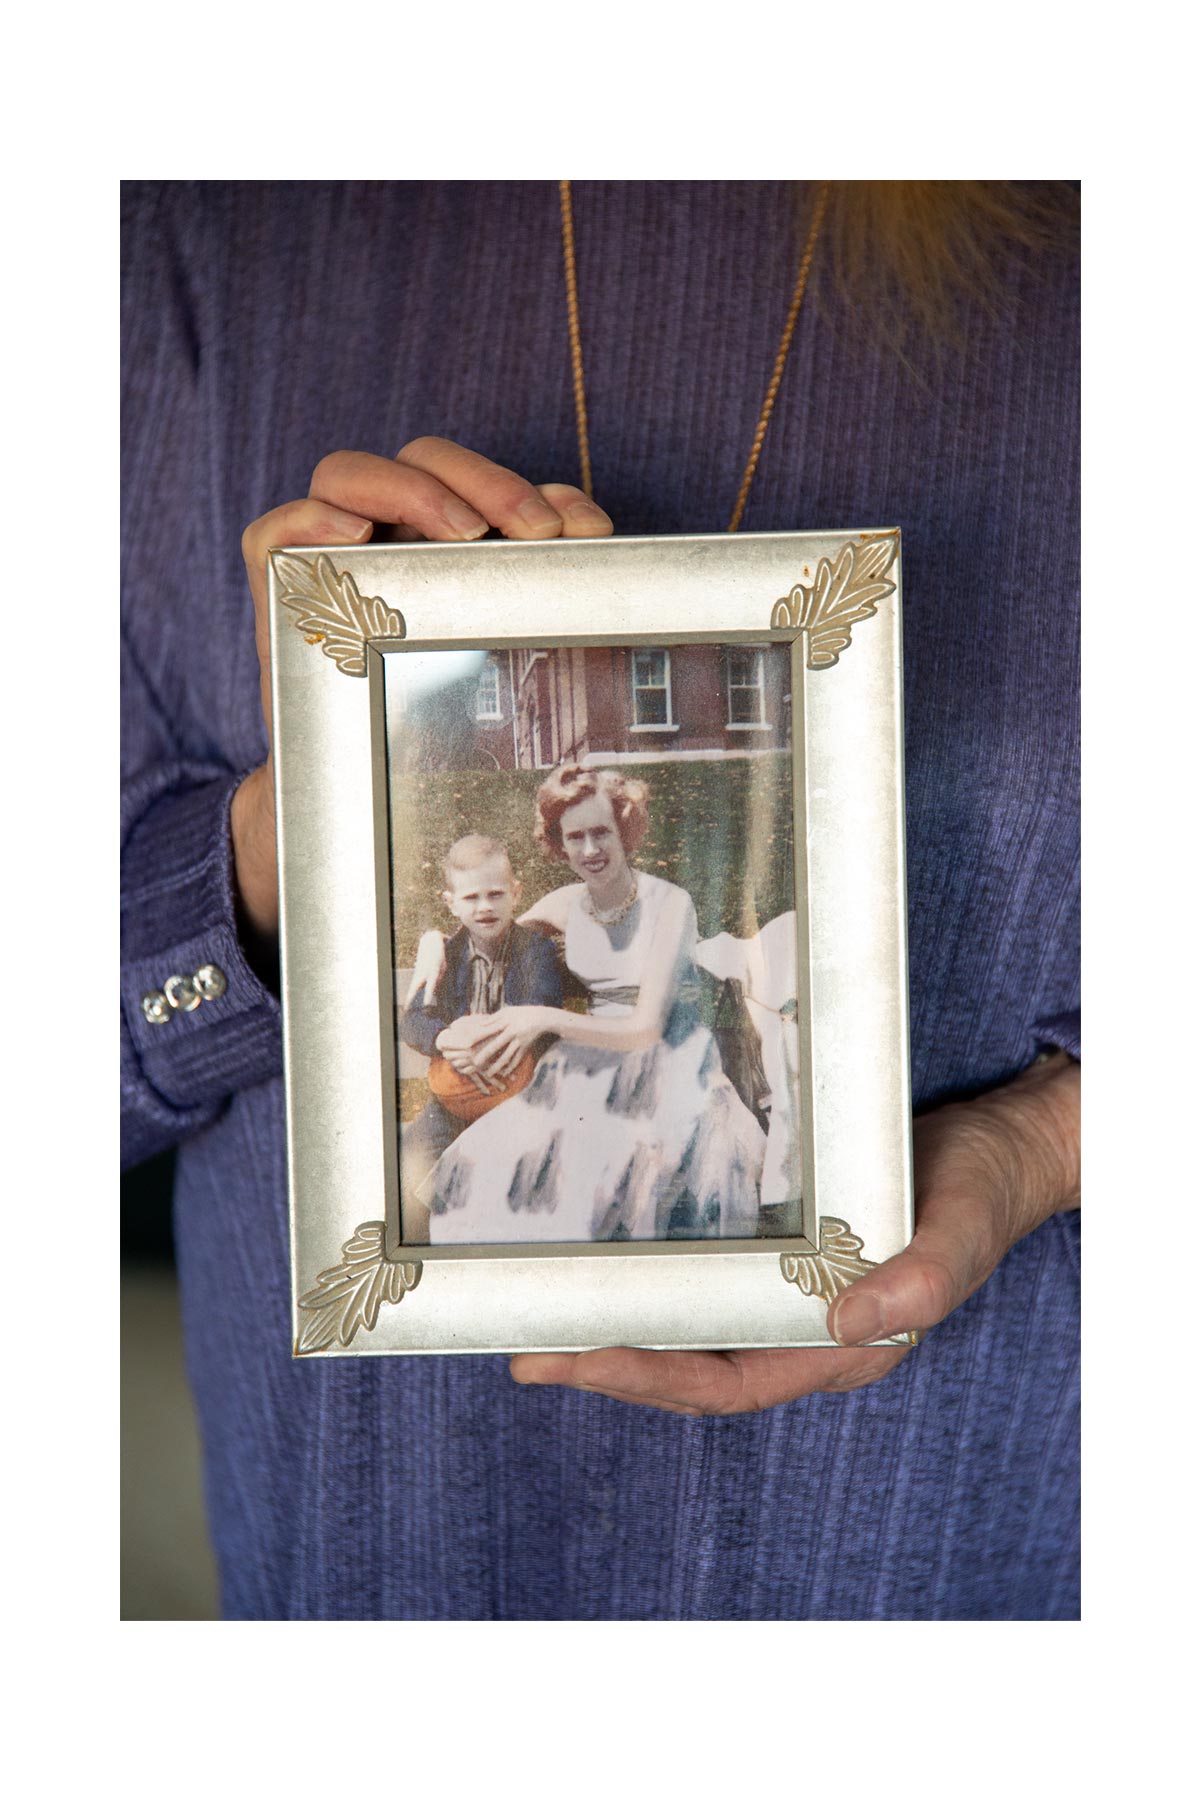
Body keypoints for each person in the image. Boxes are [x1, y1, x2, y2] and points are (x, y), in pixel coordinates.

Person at [121, 181, 1079, 1619]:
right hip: (383, 1557)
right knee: (484, 1165)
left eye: (591, 828)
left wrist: (1051, 1141)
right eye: (560, 833)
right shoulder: (205, 217)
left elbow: (622, 1036)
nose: (578, 853)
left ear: (626, 817)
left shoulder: (677, 909)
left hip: (941, 1512)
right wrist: (314, 805)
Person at [420, 766, 766, 1243]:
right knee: (501, 1166)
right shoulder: (563, 904)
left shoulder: (670, 903)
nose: (589, 850)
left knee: (625, 1173)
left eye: (601, 832)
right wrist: (432, 941)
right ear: (559, 844)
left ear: (625, 831)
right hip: (586, 1066)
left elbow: (646, 1027)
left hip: (670, 1064)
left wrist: (542, 1017)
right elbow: (486, 930)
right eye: (574, 837)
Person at [398, 834, 564, 1240]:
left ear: (516, 894)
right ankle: (433, 1259)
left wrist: (475, 1042)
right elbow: (414, 1020)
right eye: (472, 897)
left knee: (520, 1173)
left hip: (521, 1092)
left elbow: (538, 1004)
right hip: (457, 1095)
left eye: (496, 894)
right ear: (450, 901)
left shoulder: (535, 952)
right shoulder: (445, 956)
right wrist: (445, 1039)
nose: (485, 906)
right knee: (412, 1161)